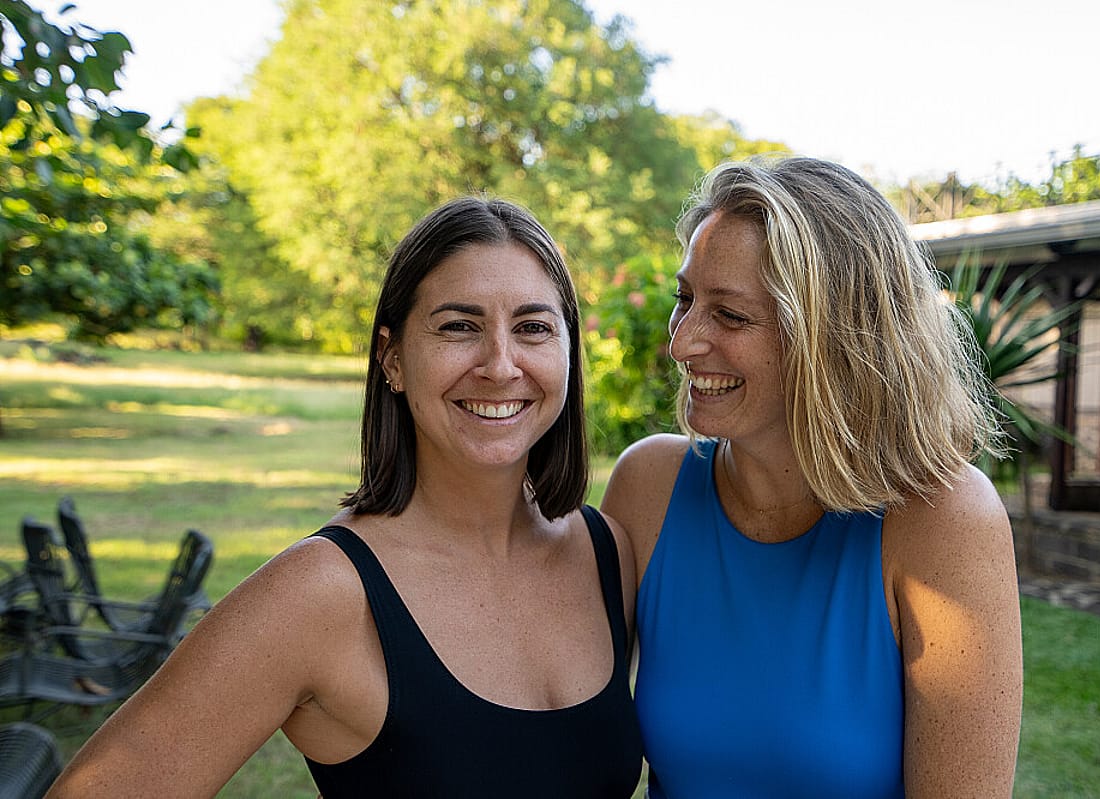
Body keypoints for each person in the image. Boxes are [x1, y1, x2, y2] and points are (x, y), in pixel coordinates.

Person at [48, 197, 644, 798]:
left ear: (568, 351)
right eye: (459, 326)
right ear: (392, 358)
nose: (499, 364)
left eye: (533, 328)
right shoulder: (320, 593)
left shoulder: (606, 556)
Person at [602, 156, 1023, 798]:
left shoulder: (944, 519)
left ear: (834, 342)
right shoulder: (649, 486)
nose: (682, 342)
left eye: (730, 316)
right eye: (685, 300)